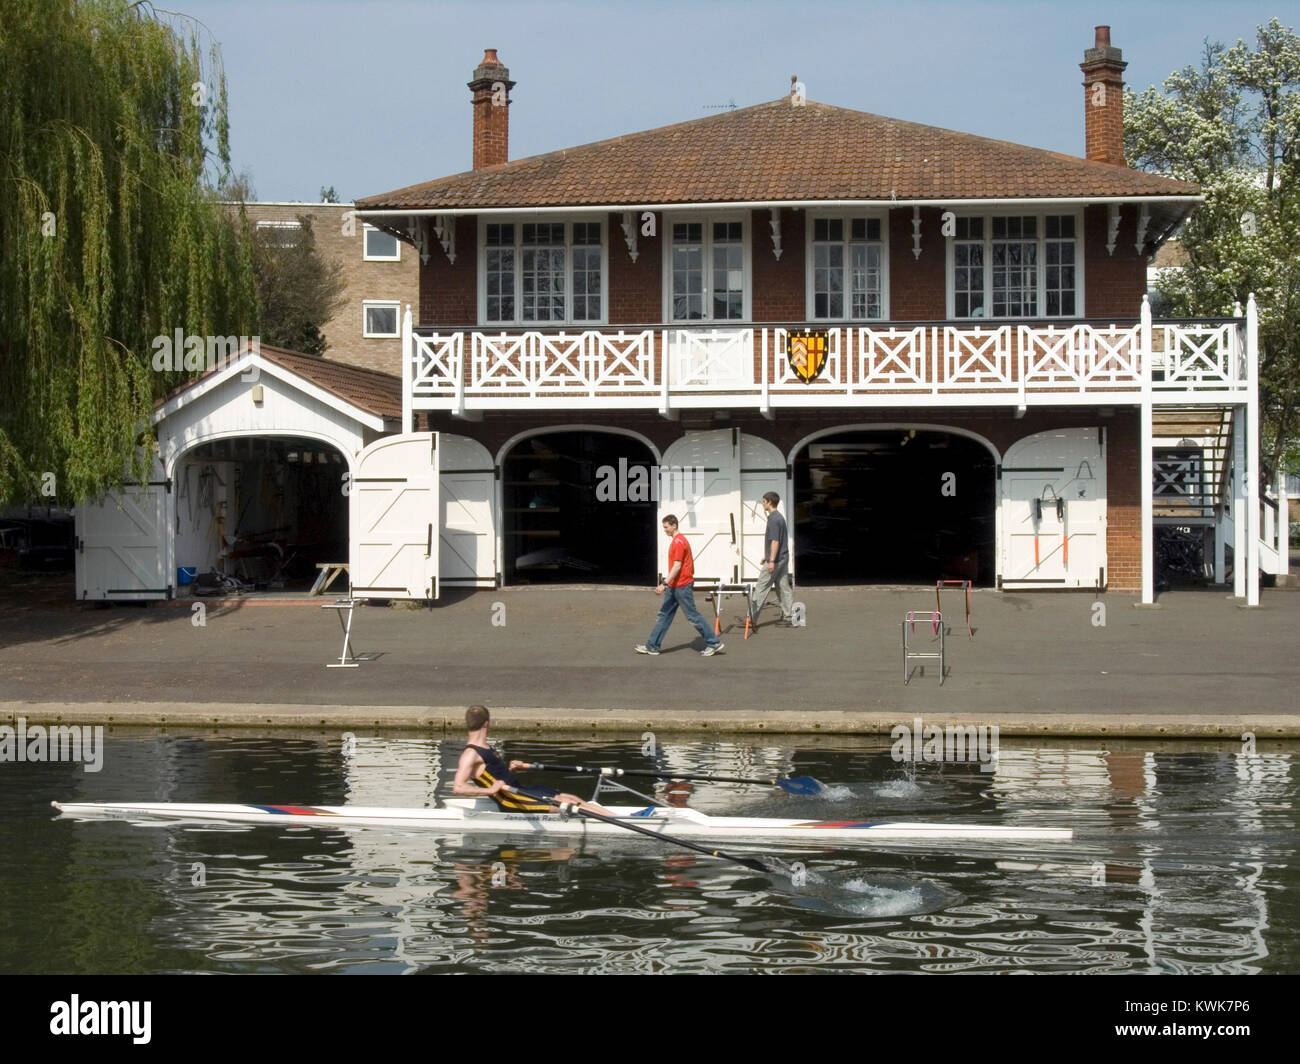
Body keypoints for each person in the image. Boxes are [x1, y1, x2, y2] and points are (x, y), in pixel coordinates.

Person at [452, 705, 612, 814]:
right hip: (511, 801)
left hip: (522, 790)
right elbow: (458, 787)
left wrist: (512, 768)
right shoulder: (470, 754)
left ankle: (615, 817)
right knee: (567, 804)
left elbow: (494, 776)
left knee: (571, 797)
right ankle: (615, 822)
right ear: (487, 724)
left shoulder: (486, 747)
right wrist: (489, 790)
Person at [635, 515, 724, 657]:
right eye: (664, 527)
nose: (664, 530)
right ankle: (652, 646)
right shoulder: (678, 541)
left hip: (682, 586)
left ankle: (714, 642)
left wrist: (664, 583)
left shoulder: (678, 542)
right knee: (664, 615)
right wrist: (669, 584)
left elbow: (677, 567)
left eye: (666, 527)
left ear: (674, 526)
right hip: (675, 586)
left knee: (693, 616)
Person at [749, 491, 795, 628]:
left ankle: (751, 618)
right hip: (783, 556)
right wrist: (767, 555)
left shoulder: (774, 519)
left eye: (763, 501)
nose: (762, 504)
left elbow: (775, 541)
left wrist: (771, 560)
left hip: (777, 559)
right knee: (783, 587)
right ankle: (788, 616)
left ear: (769, 502)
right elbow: (778, 541)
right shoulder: (779, 517)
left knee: (761, 587)